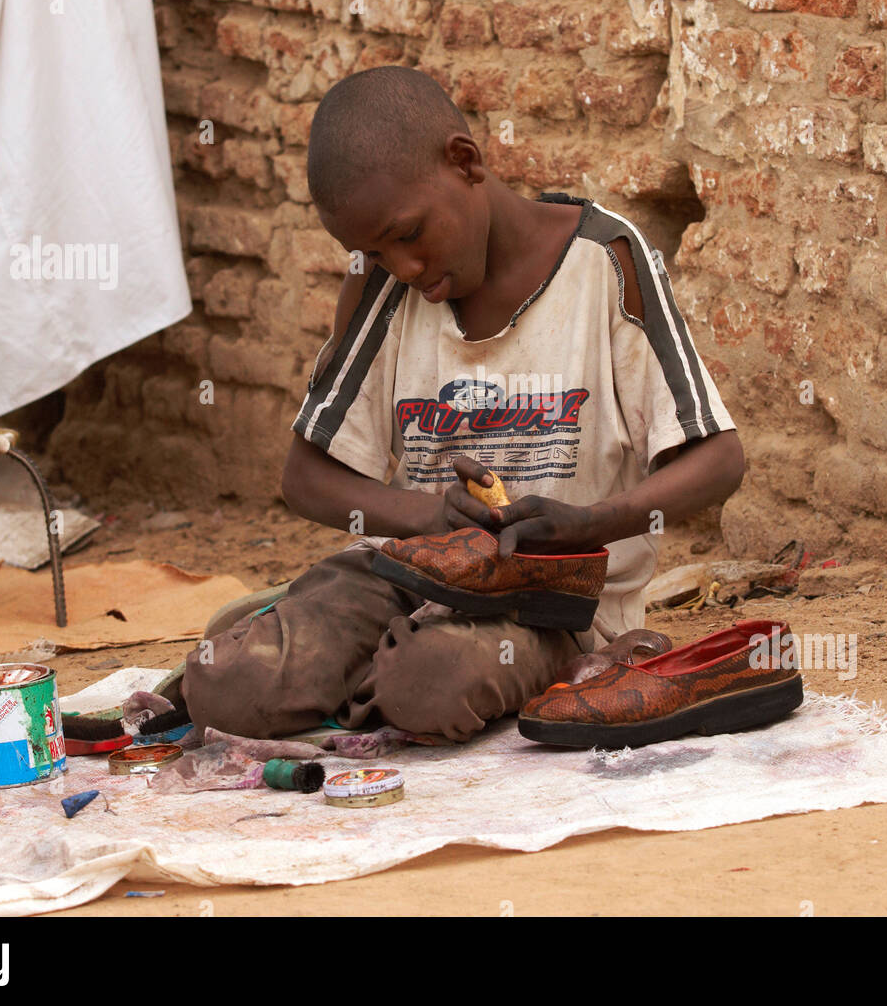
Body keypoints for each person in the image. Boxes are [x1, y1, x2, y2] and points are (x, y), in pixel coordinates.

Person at [179, 66, 744, 742]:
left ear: (465, 162)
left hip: (558, 609)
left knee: (426, 685)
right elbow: (306, 475)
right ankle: (348, 661)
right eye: (375, 254)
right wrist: (428, 518)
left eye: (410, 234)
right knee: (225, 679)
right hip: (407, 578)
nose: (405, 268)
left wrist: (589, 523)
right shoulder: (382, 288)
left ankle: (363, 673)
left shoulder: (608, 265)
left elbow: (719, 458)